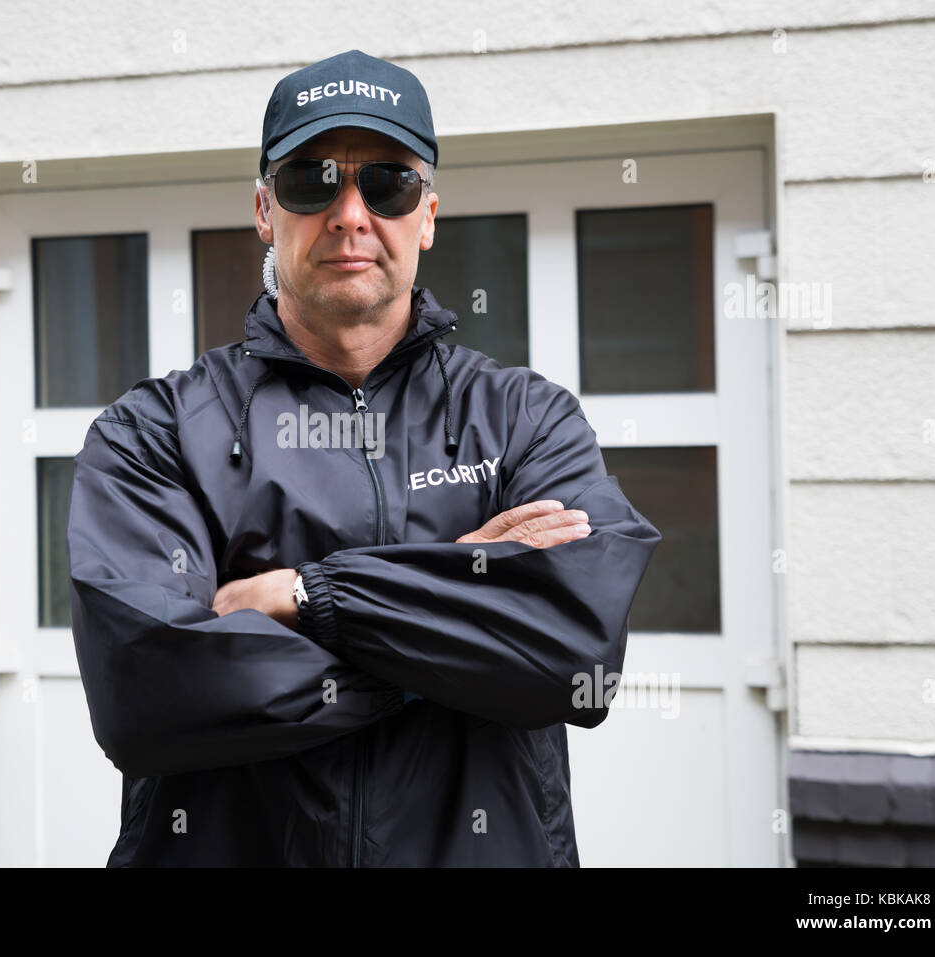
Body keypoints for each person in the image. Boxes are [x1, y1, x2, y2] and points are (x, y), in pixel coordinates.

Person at [67, 48, 662, 867]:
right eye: (312, 180)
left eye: (387, 182)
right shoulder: (157, 431)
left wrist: (305, 596)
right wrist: (452, 626)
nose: (350, 213)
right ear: (265, 209)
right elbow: (150, 692)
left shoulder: (524, 419)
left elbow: (573, 657)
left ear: (427, 213)